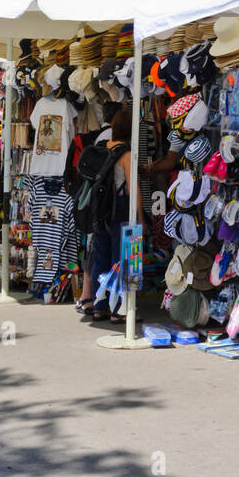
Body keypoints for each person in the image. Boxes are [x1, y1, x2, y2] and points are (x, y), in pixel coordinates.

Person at [77, 109, 142, 321]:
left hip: (100, 210)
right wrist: (140, 216)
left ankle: (100, 306)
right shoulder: (126, 154)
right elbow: (134, 190)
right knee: (125, 260)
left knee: (101, 258)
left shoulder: (102, 148)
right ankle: (121, 310)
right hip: (121, 208)